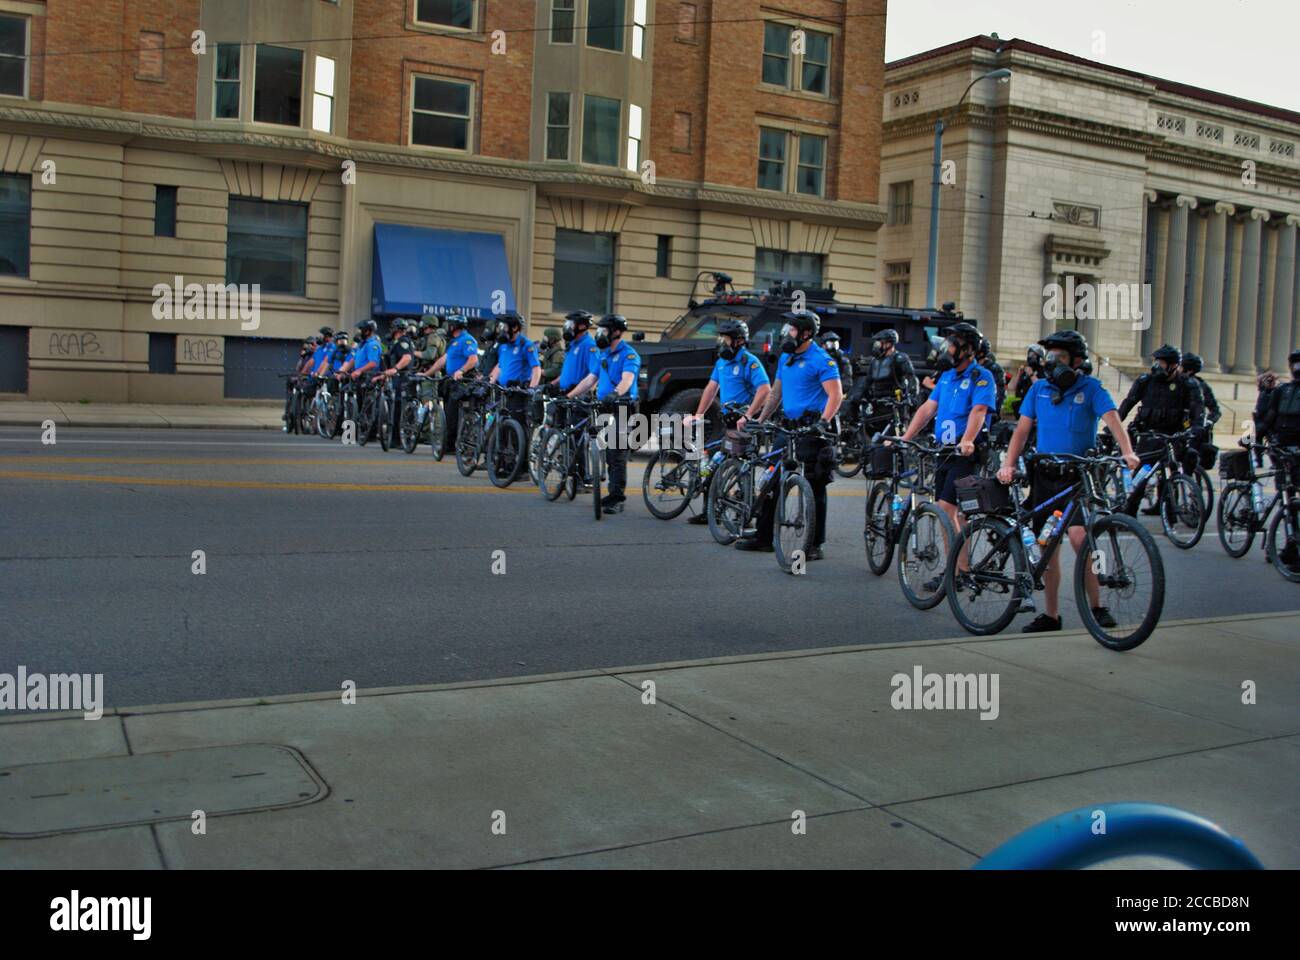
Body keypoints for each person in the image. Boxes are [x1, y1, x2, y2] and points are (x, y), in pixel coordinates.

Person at [995, 330, 1142, 632]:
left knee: (1080, 539)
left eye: (1060, 357)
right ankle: (1051, 616)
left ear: (1076, 360)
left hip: (1076, 478)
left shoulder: (1091, 388)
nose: (1052, 363)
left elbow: (1113, 419)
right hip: (1044, 475)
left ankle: (1098, 607)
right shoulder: (1039, 391)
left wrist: (1127, 451)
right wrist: (1008, 465)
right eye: (1050, 357)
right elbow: (1021, 431)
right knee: (1046, 546)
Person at [897, 321, 995, 588]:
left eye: (952, 344)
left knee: (947, 509)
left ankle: (956, 572)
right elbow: (929, 408)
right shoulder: (947, 377)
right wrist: (906, 437)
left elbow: (979, 411)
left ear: (967, 349)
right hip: (944, 452)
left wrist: (967, 441)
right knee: (949, 513)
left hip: (966, 454)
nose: (946, 348)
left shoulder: (981, 376)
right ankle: (959, 571)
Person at [739, 311, 842, 558]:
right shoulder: (787, 356)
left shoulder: (821, 360)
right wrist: (759, 419)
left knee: (814, 485)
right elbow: (776, 394)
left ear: (806, 333)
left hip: (812, 429)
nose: (787, 333)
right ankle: (764, 537)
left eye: (793, 329)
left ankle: (815, 545)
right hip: (787, 427)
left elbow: (836, 395)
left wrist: (824, 422)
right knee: (773, 479)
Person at [684, 318, 772, 524]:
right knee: (712, 463)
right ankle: (709, 512)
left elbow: (765, 389)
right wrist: (699, 413)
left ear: (739, 341)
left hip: (742, 424)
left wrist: (748, 415)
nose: (722, 343)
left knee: (741, 468)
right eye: (722, 338)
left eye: (726, 339)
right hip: (725, 420)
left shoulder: (749, 361)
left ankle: (744, 513)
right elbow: (711, 388)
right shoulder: (722, 362)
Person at [1117, 343, 1204, 513]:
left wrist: (1197, 427)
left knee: (1173, 470)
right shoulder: (1146, 381)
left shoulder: (1187, 384)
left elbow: (1197, 408)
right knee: (1144, 471)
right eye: (1156, 361)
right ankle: (1130, 509)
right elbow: (1128, 403)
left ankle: (1169, 507)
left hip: (1175, 435)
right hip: (1150, 434)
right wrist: (1114, 426)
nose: (1157, 365)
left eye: (1162, 362)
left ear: (1174, 365)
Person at [570, 314, 641, 514]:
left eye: (604, 330)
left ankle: (617, 498)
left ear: (616, 332)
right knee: (594, 440)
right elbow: (590, 379)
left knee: (616, 454)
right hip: (605, 405)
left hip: (623, 406)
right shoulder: (603, 354)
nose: (600, 334)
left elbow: (627, 379)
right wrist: (569, 395)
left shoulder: (629, 354)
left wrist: (616, 393)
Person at [427, 315, 479, 454]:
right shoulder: (454, 342)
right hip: (451, 381)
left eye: (450, 325)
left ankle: (453, 445)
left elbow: (473, 359)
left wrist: (461, 370)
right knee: (449, 413)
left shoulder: (467, 339)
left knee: (453, 414)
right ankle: (449, 443)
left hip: (462, 381)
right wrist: (427, 373)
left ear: (455, 326)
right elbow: (443, 360)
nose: (447, 327)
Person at [490, 311, 542, 436]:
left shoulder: (526, 345)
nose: (501, 330)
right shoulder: (503, 346)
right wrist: (489, 382)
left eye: (505, 327)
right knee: (498, 424)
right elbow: (500, 366)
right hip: (502, 390)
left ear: (515, 328)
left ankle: (521, 455)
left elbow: (536, 369)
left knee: (517, 424)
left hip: (518, 391)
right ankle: (499, 453)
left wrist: (532, 388)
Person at [1011, 343, 1048, 417]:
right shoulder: (1025, 370)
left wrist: (1031, 374)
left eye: (1033, 355)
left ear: (1039, 357)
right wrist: (1019, 374)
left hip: (1036, 406)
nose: (1030, 357)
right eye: (1029, 354)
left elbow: (1041, 387)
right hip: (1024, 405)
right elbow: (1011, 387)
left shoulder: (1043, 371)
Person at [977, 336, 1007, 415]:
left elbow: (1000, 391)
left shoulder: (994, 368)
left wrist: (996, 409)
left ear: (981, 353)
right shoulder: (971, 367)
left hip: (988, 409)